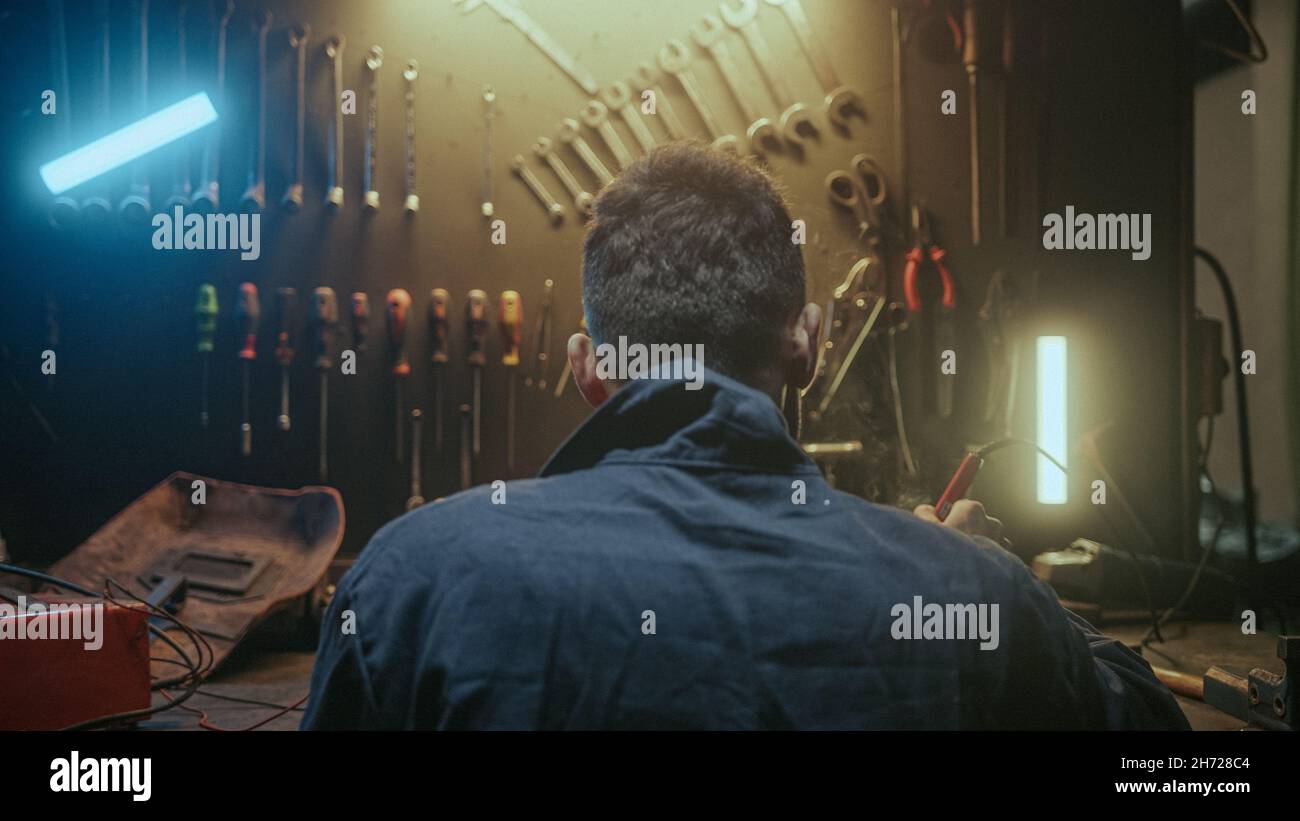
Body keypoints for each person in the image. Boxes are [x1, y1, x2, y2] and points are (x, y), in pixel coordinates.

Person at [301, 142, 1189, 730]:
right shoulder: (969, 600)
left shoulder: (409, 581)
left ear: (587, 367)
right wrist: (965, 572)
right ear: (807, 344)